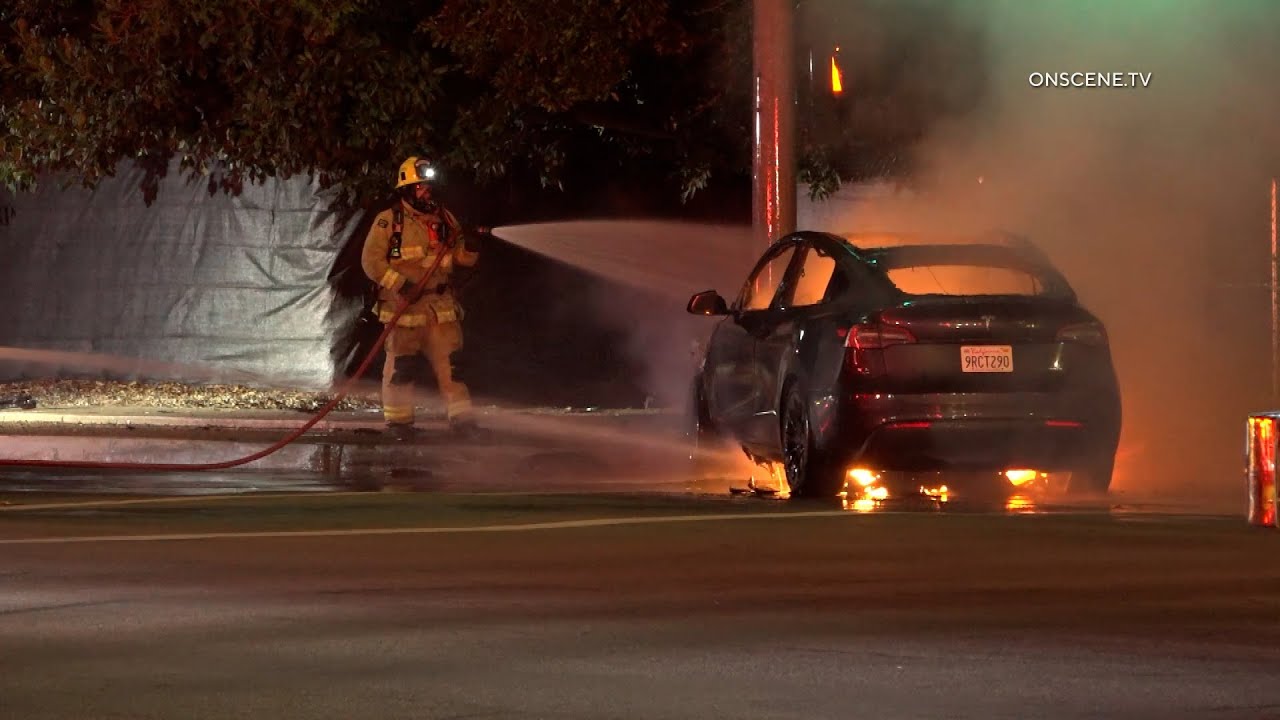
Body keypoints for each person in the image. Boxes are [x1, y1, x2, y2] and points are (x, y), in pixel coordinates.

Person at [360, 156, 481, 439]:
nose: (426, 191)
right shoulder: (389, 221)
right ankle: (400, 425)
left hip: (440, 308)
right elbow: (371, 262)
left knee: (453, 366)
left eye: (428, 186)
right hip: (404, 309)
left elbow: (461, 259)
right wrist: (399, 285)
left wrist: (472, 246)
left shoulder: (446, 219)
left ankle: (463, 422)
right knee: (402, 368)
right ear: (406, 189)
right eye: (420, 186)